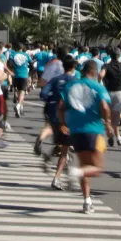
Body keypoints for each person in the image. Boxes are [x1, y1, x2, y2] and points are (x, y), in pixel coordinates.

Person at [62, 60, 113, 214]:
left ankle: (87, 201)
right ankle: (74, 173)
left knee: (85, 166)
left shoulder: (70, 86)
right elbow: (104, 106)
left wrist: (63, 123)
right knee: (97, 169)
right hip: (94, 130)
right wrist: (108, 123)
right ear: (94, 71)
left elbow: (61, 107)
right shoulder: (98, 87)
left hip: (76, 131)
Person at [40, 55, 77, 190]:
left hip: (54, 116)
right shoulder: (76, 81)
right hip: (70, 119)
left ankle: (52, 163)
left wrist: (52, 99)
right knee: (67, 149)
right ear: (74, 67)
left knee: (63, 145)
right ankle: (59, 176)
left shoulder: (55, 80)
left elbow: (43, 93)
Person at [100, 48, 121, 147]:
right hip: (120, 93)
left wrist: (101, 84)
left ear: (110, 56)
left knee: (109, 118)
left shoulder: (106, 66)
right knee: (115, 119)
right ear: (119, 55)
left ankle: (114, 136)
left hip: (108, 93)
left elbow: (101, 75)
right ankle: (114, 135)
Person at [8, 43, 32, 117]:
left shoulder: (12, 55)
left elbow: (9, 64)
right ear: (22, 48)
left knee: (18, 92)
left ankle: (20, 109)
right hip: (24, 75)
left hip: (16, 75)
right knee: (22, 93)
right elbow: (32, 65)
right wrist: (30, 73)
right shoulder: (26, 55)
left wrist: (14, 68)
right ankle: (18, 106)